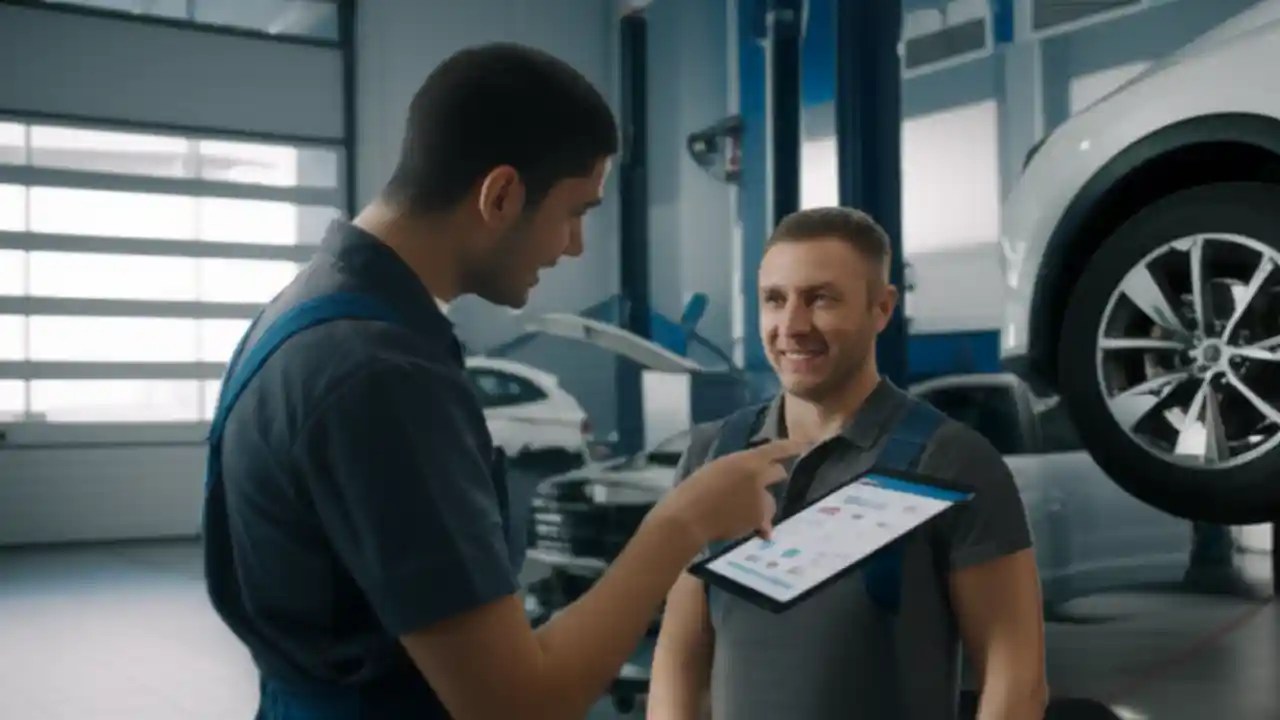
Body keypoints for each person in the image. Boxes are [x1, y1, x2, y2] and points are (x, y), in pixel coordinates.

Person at [202, 42, 805, 720]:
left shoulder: (301, 315)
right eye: (576, 211)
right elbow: (520, 707)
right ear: (500, 195)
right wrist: (682, 521)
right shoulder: (384, 375)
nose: (575, 244)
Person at [648, 207, 1049, 720]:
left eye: (820, 299)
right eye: (775, 299)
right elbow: (680, 661)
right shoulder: (713, 455)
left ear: (881, 308)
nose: (791, 326)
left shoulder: (950, 462)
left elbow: (1015, 682)